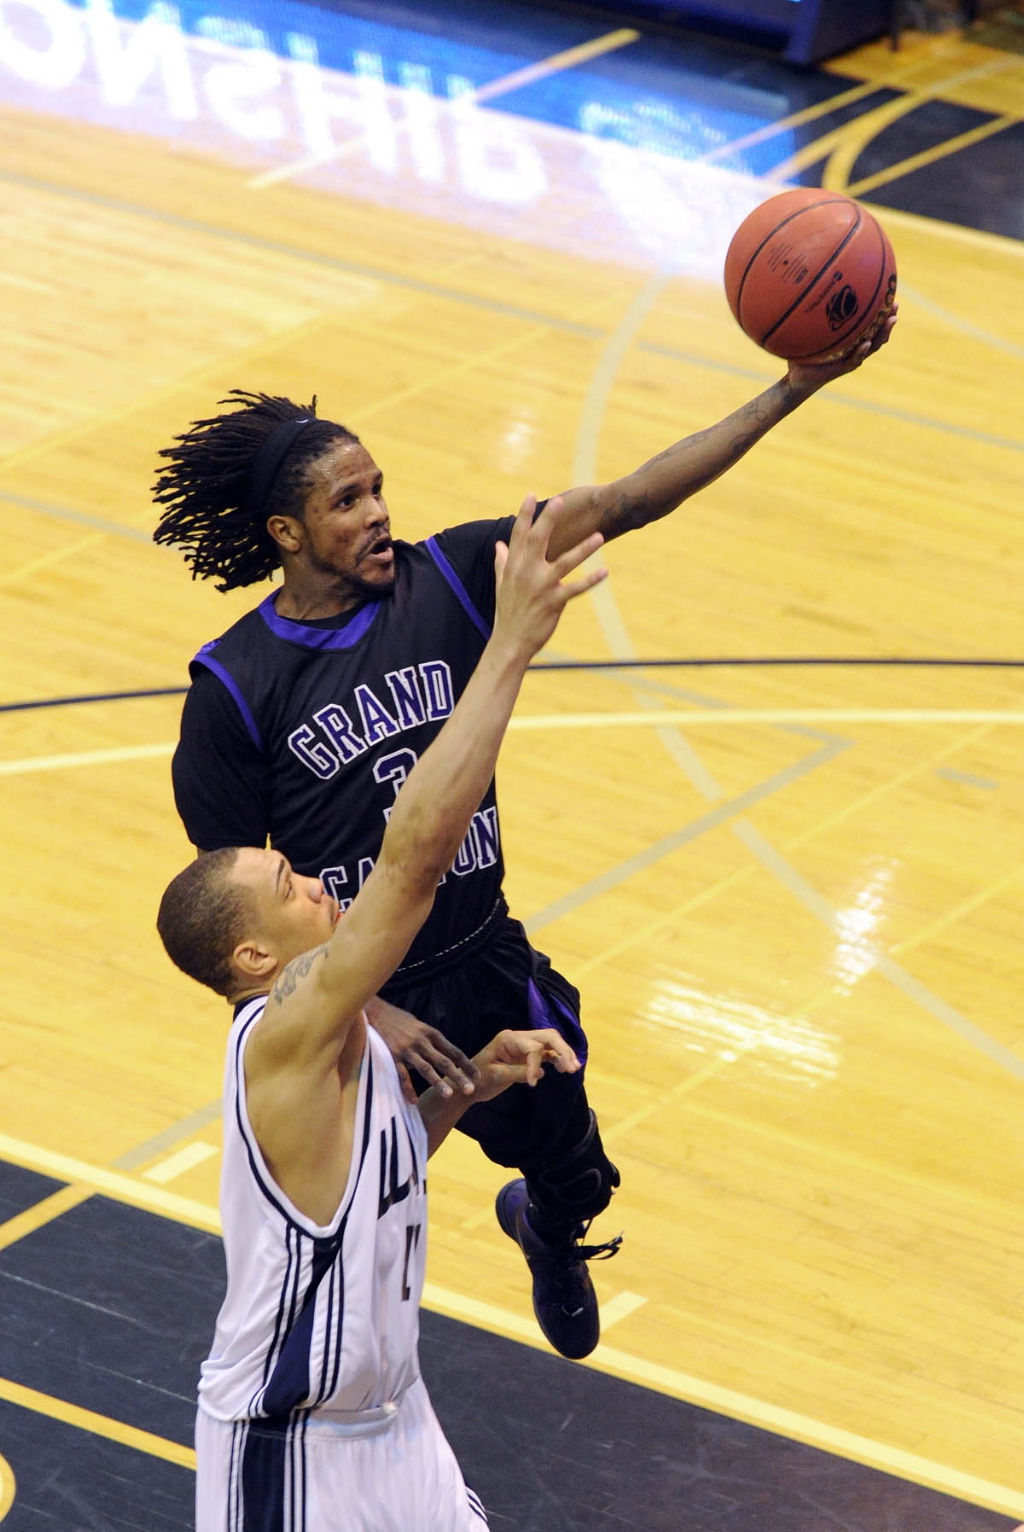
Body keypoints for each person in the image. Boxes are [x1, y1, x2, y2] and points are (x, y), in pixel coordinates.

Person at [153, 324, 894, 1361]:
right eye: (347, 502)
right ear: (285, 529)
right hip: (346, 1003)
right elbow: (238, 909)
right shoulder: (235, 686)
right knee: (349, 1229)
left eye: (378, 489)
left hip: (479, 955)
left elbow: (630, 497)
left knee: (578, 1169)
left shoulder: (454, 576)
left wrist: (791, 388)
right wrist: (365, 1002)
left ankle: (548, 1232)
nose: (378, 515)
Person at [156, 498, 600, 1532]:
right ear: (254, 955)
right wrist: (513, 644)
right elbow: (412, 858)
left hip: (395, 1424)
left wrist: (475, 1077)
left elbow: (378, 1170)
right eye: (288, 880)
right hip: (290, 1444)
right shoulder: (283, 1022)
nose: (313, 879)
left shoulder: (331, 1042)